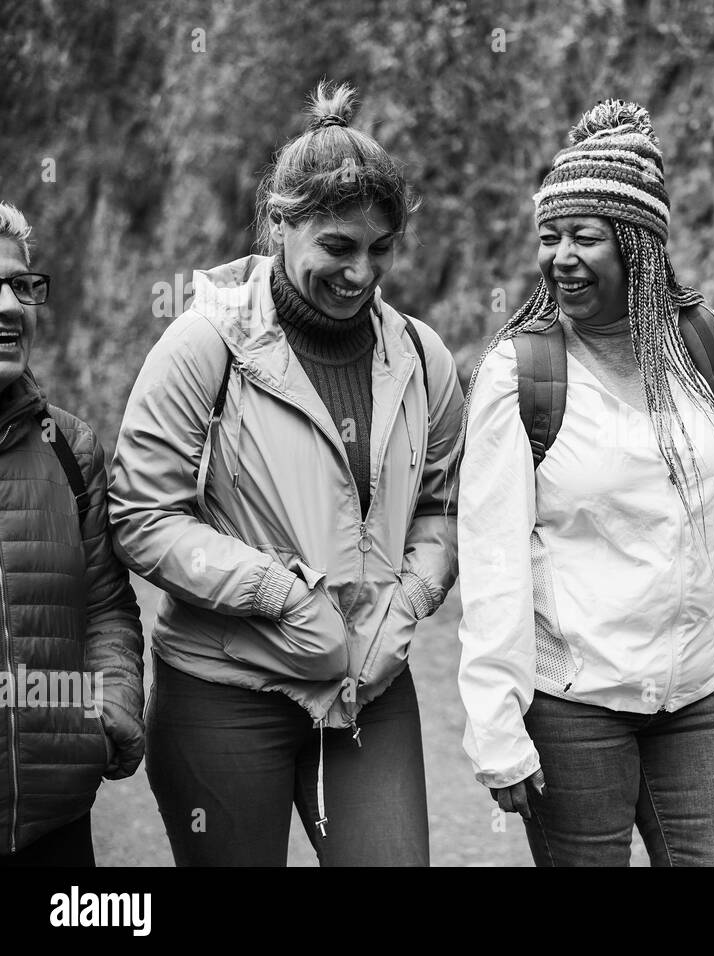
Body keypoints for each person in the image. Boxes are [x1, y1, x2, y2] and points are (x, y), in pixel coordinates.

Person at [108, 82, 462, 866]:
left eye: (382, 248)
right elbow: (140, 514)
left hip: (371, 693)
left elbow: (441, 509)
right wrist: (277, 593)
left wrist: (408, 601)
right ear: (280, 224)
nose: (361, 273)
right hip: (221, 694)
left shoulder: (422, 357)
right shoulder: (205, 345)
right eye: (337, 247)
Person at [456, 99, 714, 866]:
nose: (560, 256)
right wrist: (497, 723)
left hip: (697, 695)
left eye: (585, 236)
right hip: (575, 706)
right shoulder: (522, 372)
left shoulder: (702, 347)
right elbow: (492, 558)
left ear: (639, 246)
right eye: (549, 237)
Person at [0, 200, 144, 867]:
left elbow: (107, 607)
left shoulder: (70, 446)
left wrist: (110, 708)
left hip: (56, 825)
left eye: (21, 285)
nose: (11, 306)